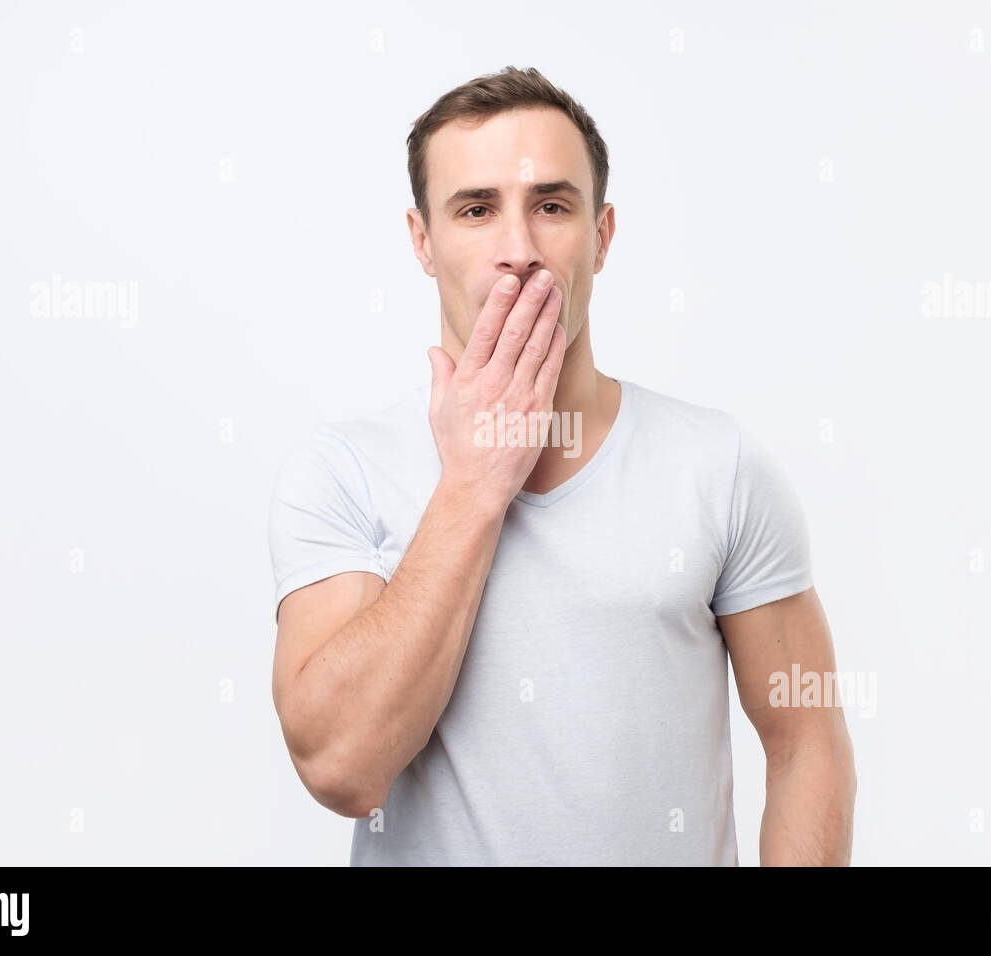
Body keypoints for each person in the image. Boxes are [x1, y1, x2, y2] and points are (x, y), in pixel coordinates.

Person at [267, 66, 855, 865]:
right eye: (476, 210)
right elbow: (341, 767)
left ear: (602, 236)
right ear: (422, 240)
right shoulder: (344, 472)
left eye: (551, 206)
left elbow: (804, 742)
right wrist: (476, 482)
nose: (518, 251)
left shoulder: (718, 467)